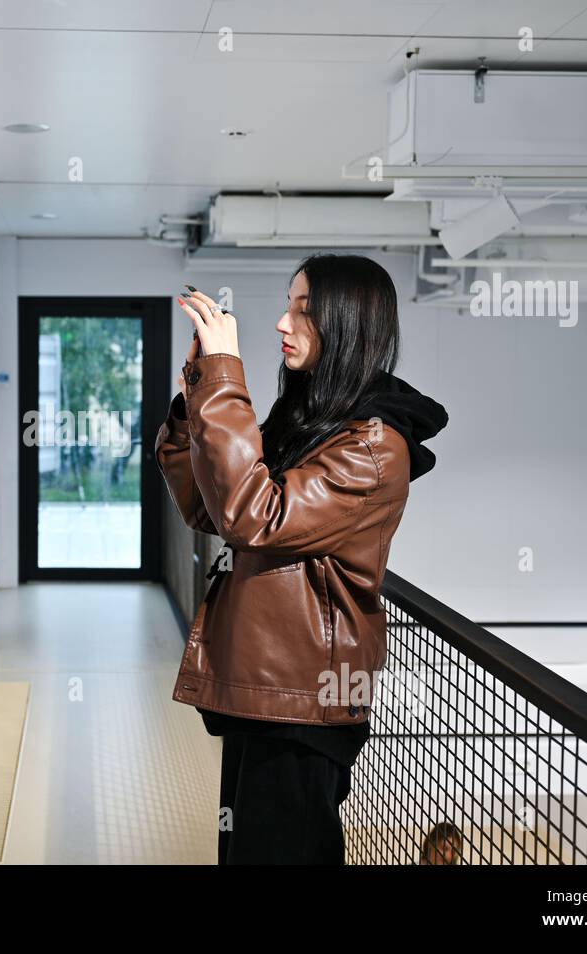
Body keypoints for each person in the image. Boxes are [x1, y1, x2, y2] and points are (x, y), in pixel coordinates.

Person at [156, 253, 449, 864]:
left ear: (347, 326)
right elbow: (212, 511)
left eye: (304, 311)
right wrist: (193, 405)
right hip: (268, 686)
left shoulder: (371, 446)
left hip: (303, 700)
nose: (283, 324)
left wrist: (223, 372)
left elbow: (250, 514)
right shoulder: (315, 424)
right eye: (289, 306)